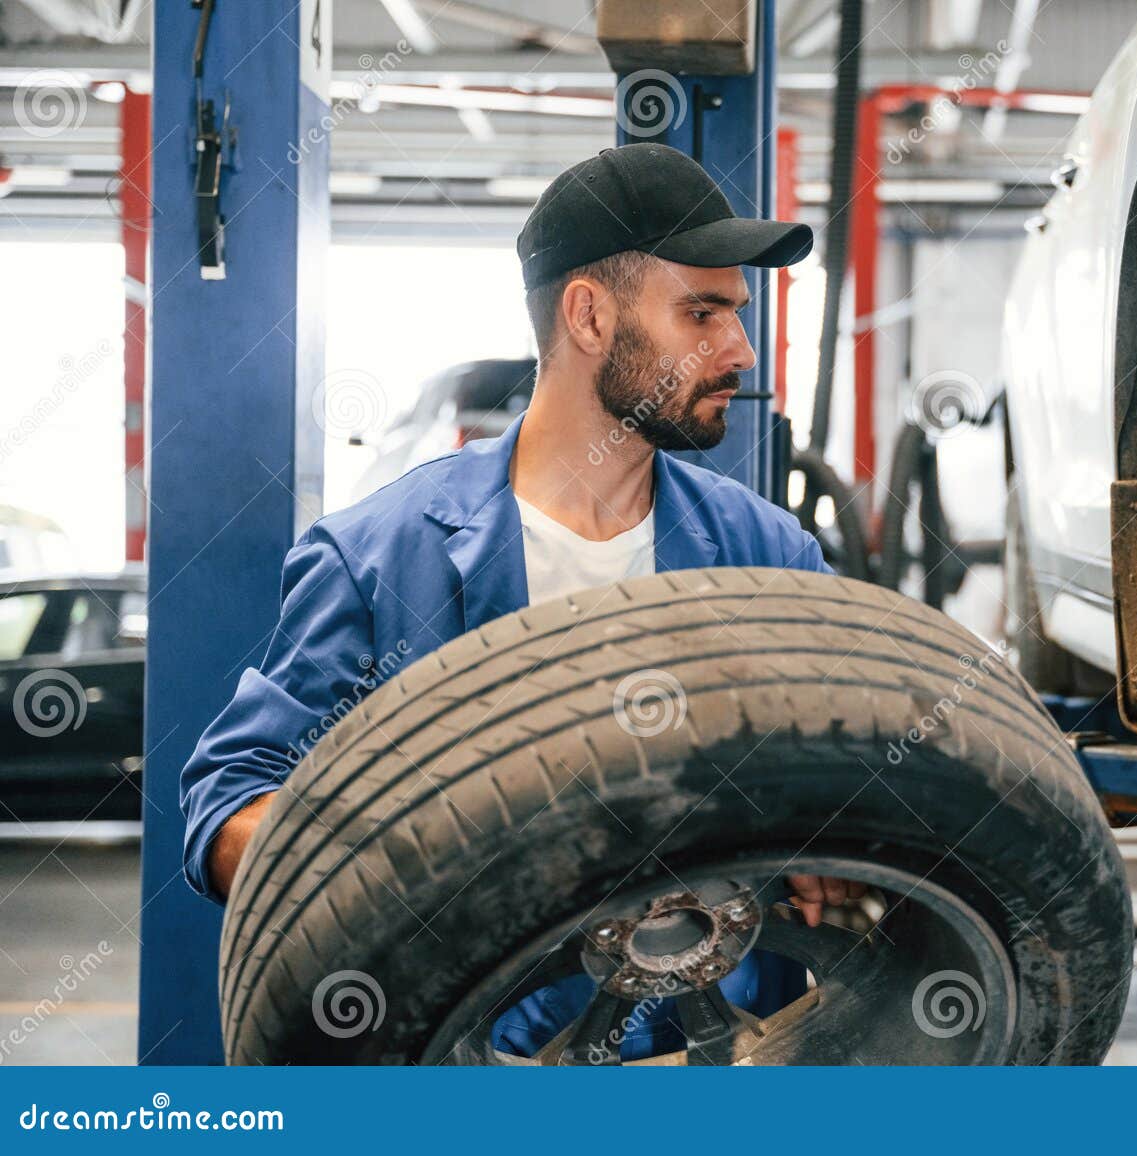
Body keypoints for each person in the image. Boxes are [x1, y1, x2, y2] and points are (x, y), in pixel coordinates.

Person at [179, 143, 862, 1059]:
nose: (738, 349)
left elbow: (875, 764)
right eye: (702, 312)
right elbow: (232, 801)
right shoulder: (378, 559)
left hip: (718, 1061)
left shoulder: (766, 558)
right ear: (588, 315)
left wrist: (838, 831)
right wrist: (403, 867)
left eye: (735, 313)